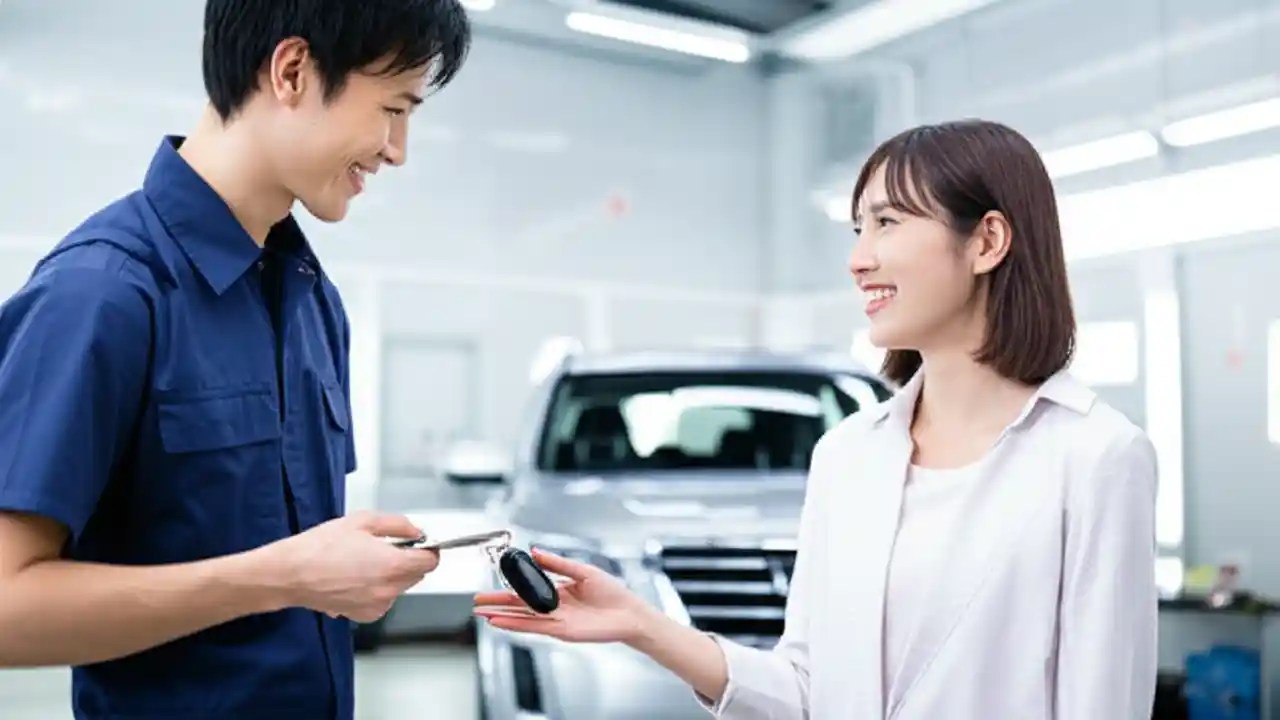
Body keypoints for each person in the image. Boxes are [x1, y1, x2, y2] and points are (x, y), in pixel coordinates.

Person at [474, 120, 1159, 719]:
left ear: (986, 241)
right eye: (858, 228)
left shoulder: (1096, 457)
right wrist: (641, 625)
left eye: (887, 223)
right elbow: (803, 691)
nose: (859, 259)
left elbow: (1102, 704)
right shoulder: (848, 455)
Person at [0, 1, 470, 718]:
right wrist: (282, 577)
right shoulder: (100, 295)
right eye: (393, 108)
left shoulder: (314, 302)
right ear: (291, 72)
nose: (397, 149)